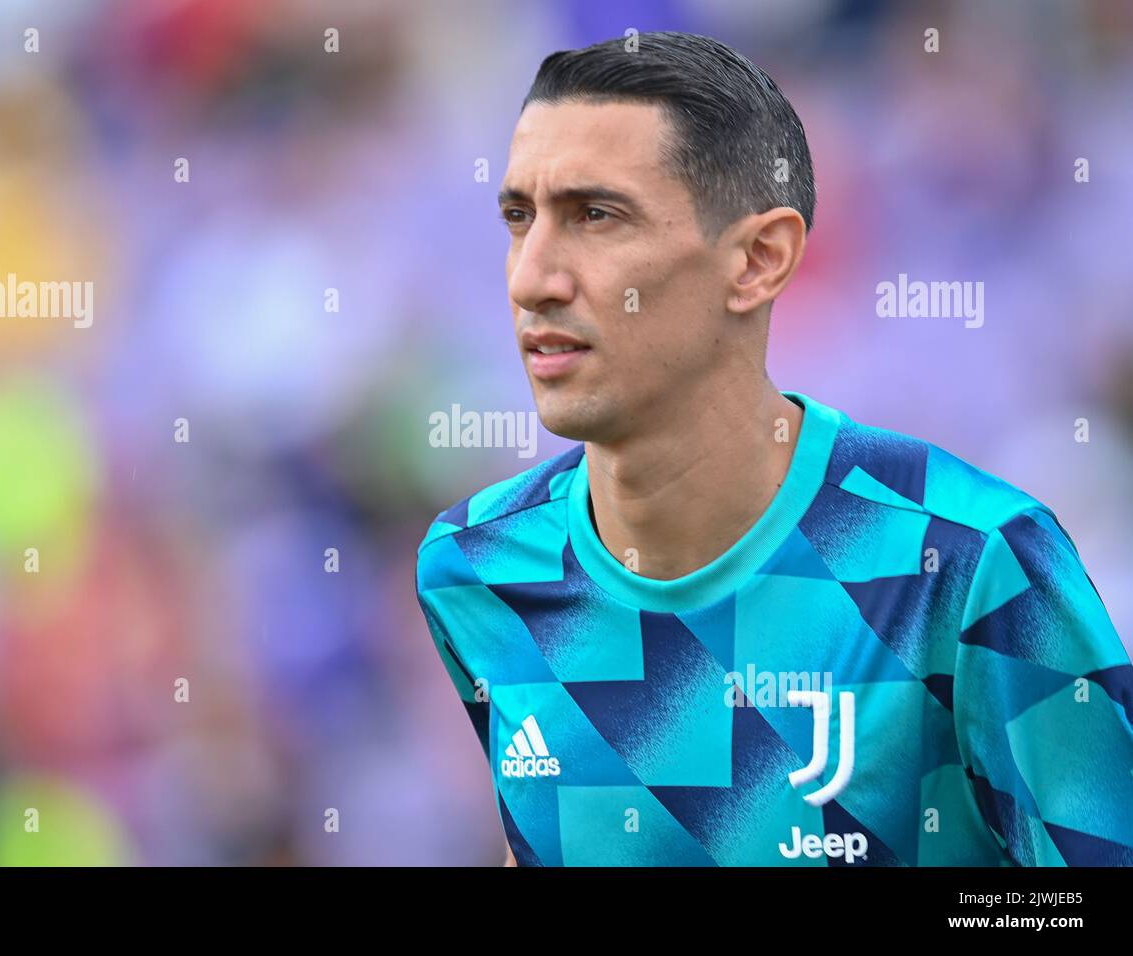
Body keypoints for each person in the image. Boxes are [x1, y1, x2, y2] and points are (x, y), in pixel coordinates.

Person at [415, 31, 1133, 866]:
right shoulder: (478, 569)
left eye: (596, 217)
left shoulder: (971, 562)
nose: (530, 277)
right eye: (518, 218)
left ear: (759, 259)